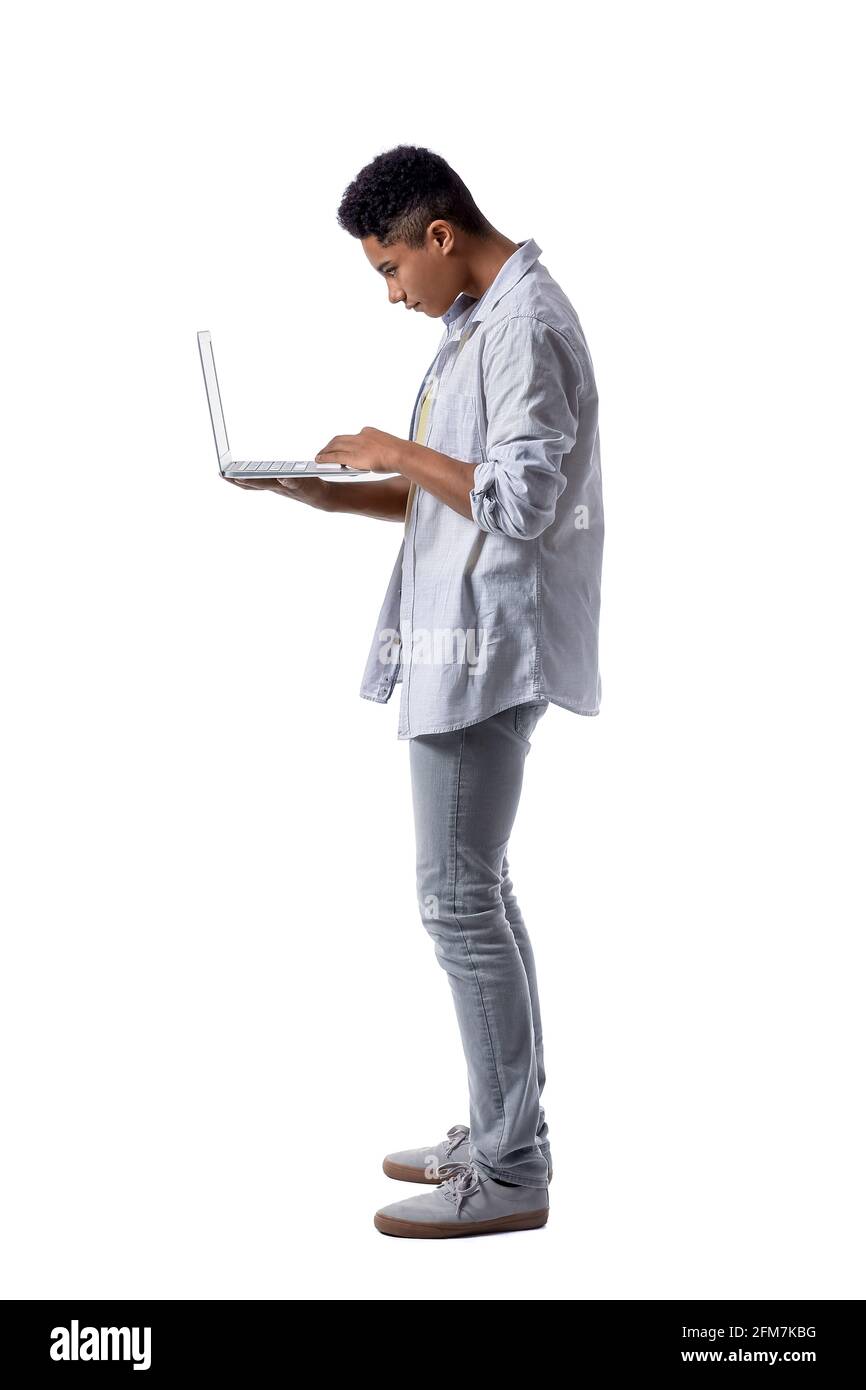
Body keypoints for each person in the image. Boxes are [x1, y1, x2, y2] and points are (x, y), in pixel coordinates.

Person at [229, 144, 604, 1239]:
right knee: (476, 890)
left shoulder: (524, 324)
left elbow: (522, 501)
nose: (392, 294)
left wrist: (394, 446)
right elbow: (458, 499)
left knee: (455, 900)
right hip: (463, 636)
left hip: (490, 646)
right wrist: (331, 497)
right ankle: (504, 1134)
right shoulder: (473, 325)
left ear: (438, 235)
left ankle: (510, 1166)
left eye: (390, 269)